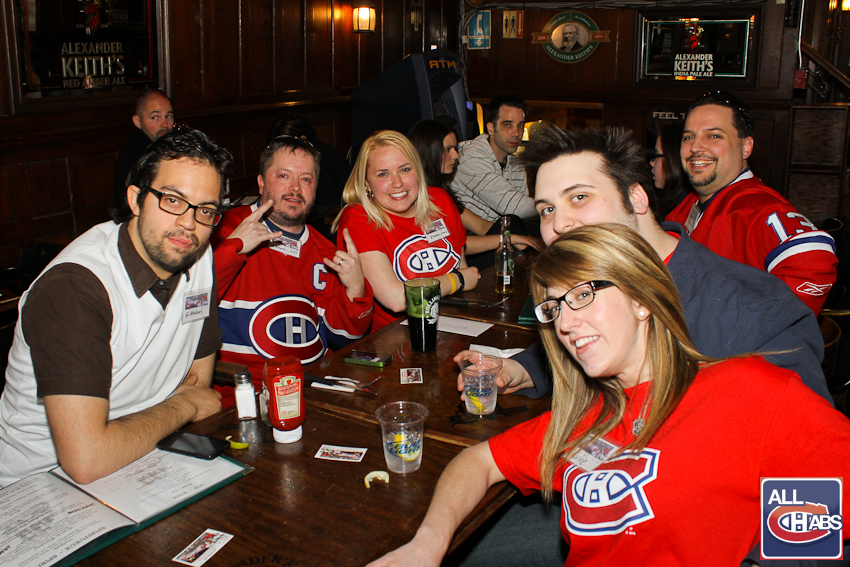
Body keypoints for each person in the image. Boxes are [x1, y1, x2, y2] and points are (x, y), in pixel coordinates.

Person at [371, 224, 850, 567]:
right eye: (554, 306)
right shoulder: (586, 417)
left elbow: (827, 522)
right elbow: (478, 462)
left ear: (642, 299)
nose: (565, 321)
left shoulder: (747, 392)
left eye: (583, 295)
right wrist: (428, 543)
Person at [0, 129, 228, 487]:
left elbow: (197, 379)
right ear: (136, 199)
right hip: (36, 485)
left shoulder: (195, 251)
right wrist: (184, 406)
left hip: (143, 457)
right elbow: (86, 460)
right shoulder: (75, 287)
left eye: (206, 210)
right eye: (172, 200)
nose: (189, 222)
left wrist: (185, 403)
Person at [212, 136, 373, 406]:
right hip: (242, 394)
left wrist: (356, 288)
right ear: (261, 182)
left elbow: (345, 337)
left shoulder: (325, 251)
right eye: (284, 176)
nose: (295, 188)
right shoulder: (224, 227)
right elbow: (188, 302)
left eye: (306, 179)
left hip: (313, 387)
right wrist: (233, 248)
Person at [667, 91, 837, 314]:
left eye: (714, 136)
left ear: (746, 147)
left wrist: (739, 328)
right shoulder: (690, 204)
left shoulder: (758, 208)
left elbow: (816, 259)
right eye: (688, 137)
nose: (696, 147)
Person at [332, 130, 479, 330]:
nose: (397, 183)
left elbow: (460, 264)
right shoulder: (359, 217)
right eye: (383, 174)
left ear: (417, 171)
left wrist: (460, 279)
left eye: (405, 169)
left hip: (456, 323)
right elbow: (397, 298)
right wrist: (457, 280)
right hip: (399, 336)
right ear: (367, 182)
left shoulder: (441, 201)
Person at [407, 120, 543, 268]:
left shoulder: (442, 192)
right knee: (512, 233)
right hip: (445, 261)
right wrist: (509, 238)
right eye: (448, 149)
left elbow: (481, 226)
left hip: (460, 253)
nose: (456, 155)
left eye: (455, 148)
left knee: (512, 223)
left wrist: (520, 238)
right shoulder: (418, 195)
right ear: (429, 152)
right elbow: (452, 244)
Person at [451, 95, 537, 222]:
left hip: (496, 233)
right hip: (465, 237)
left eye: (520, 125)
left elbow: (519, 214)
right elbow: (514, 206)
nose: (516, 133)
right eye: (508, 125)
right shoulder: (471, 156)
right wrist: (555, 207)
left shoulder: (516, 163)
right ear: (491, 128)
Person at [113, 89, 175, 215]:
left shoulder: (166, 145)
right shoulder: (136, 155)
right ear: (137, 121)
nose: (165, 124)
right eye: (155, 117)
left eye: (168, 116)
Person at [649, 120, 692, 219]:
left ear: (672, 159)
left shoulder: (683, 208)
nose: (652, 163)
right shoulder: (680, 201)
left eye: (656, 155)